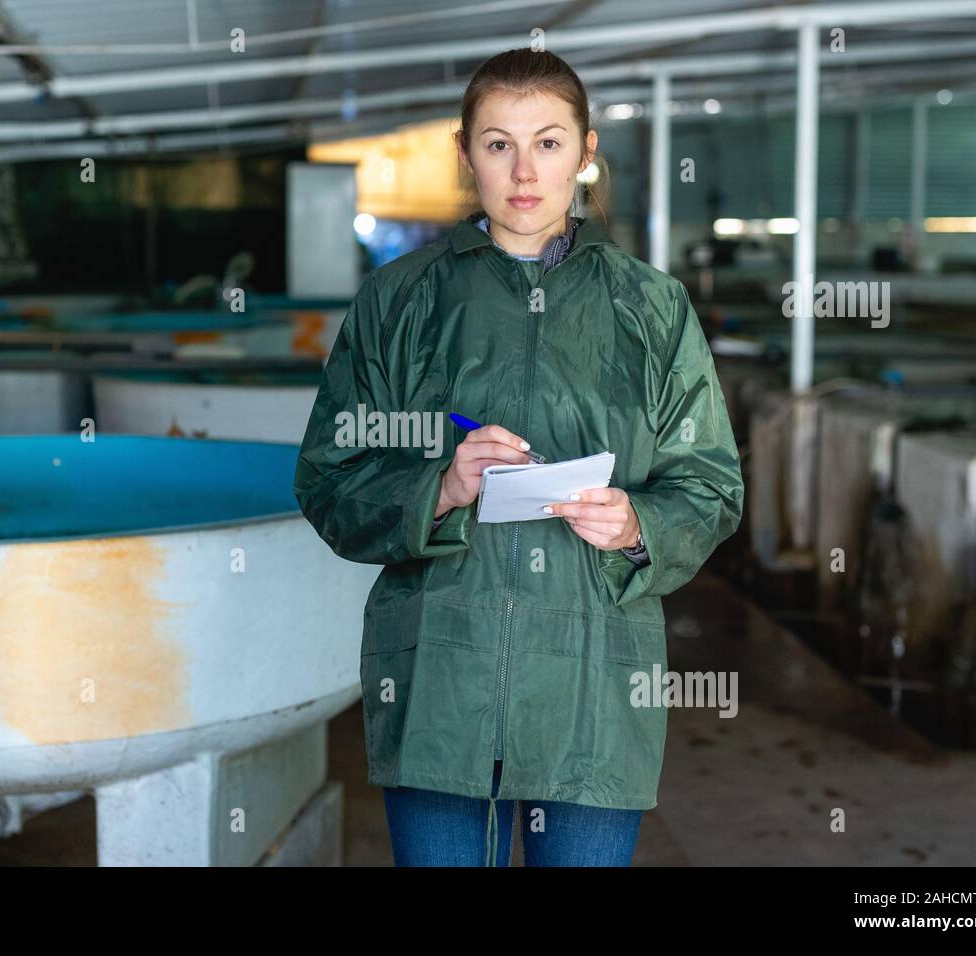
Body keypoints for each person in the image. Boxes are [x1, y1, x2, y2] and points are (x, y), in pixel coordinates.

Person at [294, 47, 744, 866]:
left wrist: (638, 522)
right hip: (438, 683)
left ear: (587, 152)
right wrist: (441, 485)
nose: (524, 170)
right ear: (465, 155)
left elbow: (709, 483)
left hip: (594, 686)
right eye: (498, 143)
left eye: (548, 141)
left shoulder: (651, 308)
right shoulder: (401, 302)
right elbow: (329, 481)